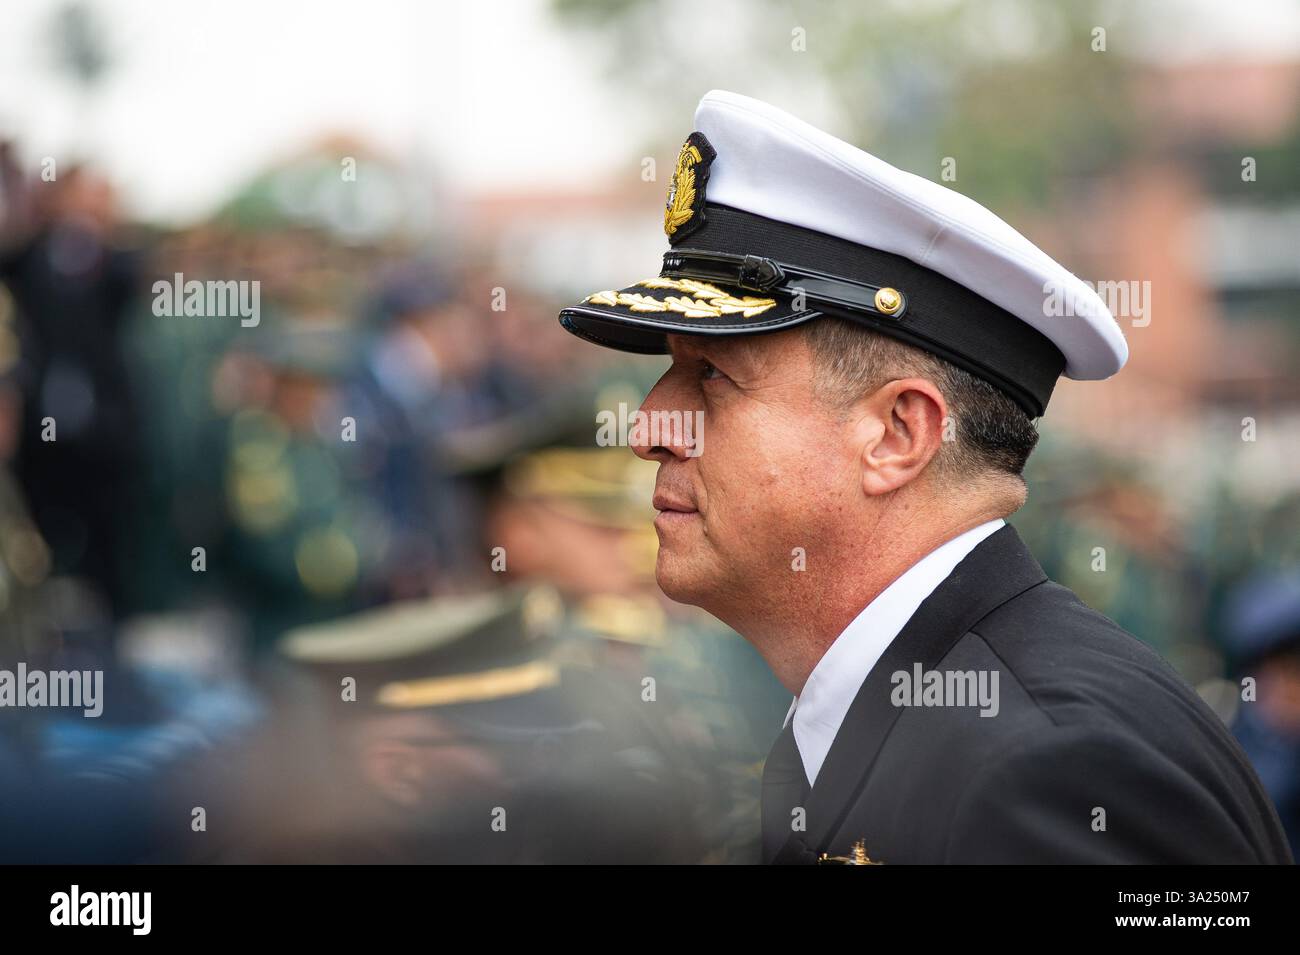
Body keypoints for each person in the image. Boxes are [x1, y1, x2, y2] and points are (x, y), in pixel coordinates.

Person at [555, 90, 1292, 864]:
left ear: (899, 433)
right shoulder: (899, 715)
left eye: (710, 377)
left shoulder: (1046, 770)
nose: (647, 431)